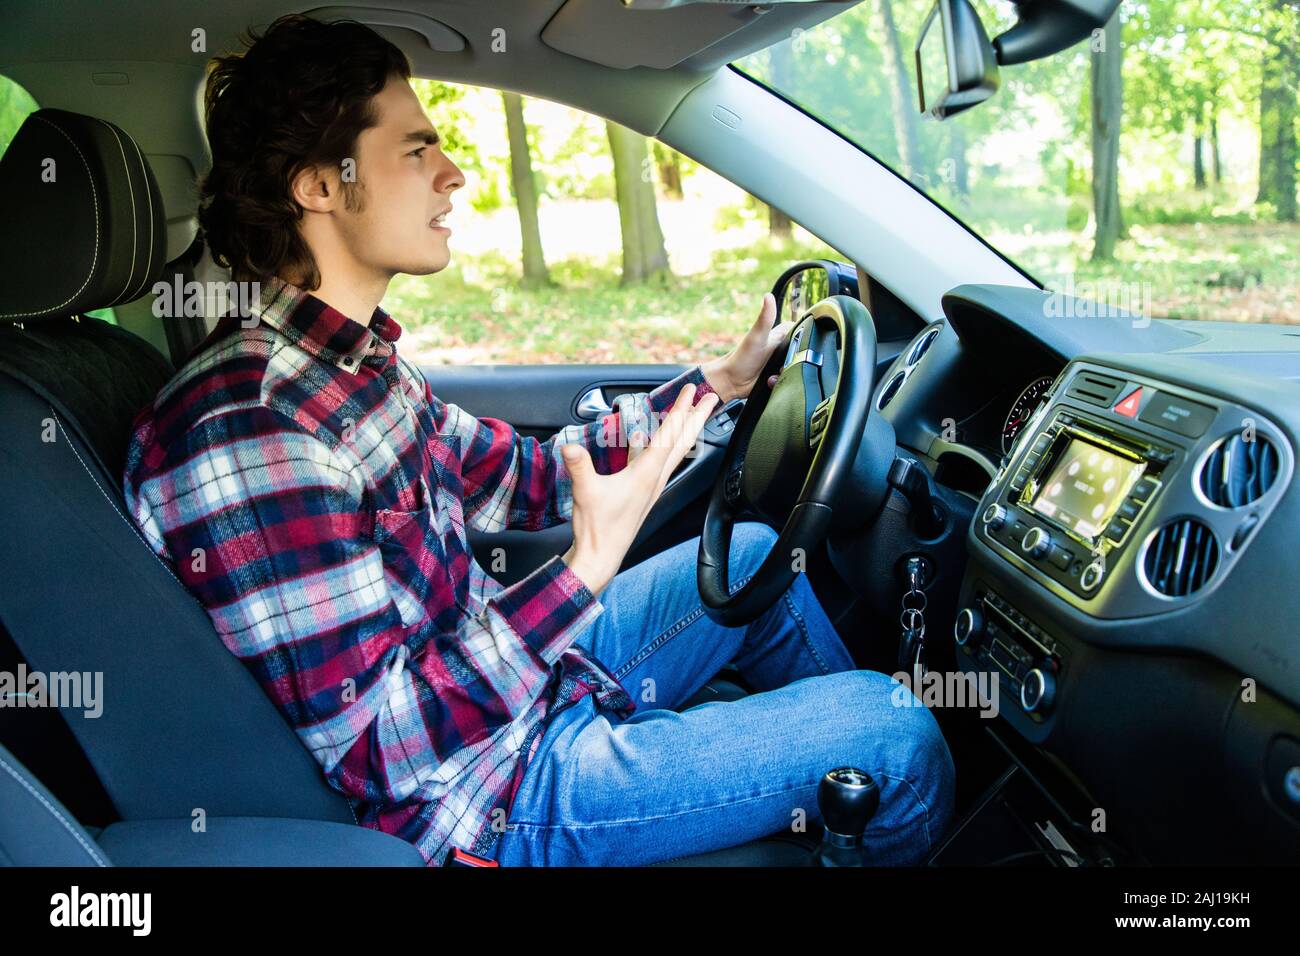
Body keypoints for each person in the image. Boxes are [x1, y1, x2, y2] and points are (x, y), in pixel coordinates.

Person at [122, 13, 954, 866]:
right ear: (319, 187)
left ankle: (819, 807)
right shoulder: (253, 431)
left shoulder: (350, 364)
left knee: (750, 560)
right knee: (892, 735)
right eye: (415, 152)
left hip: (520, 696)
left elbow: (522, 476)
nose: (452, 174)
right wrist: (587, 567)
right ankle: (851, 785)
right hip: (488, 797)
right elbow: (376, 750)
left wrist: (717, 387)